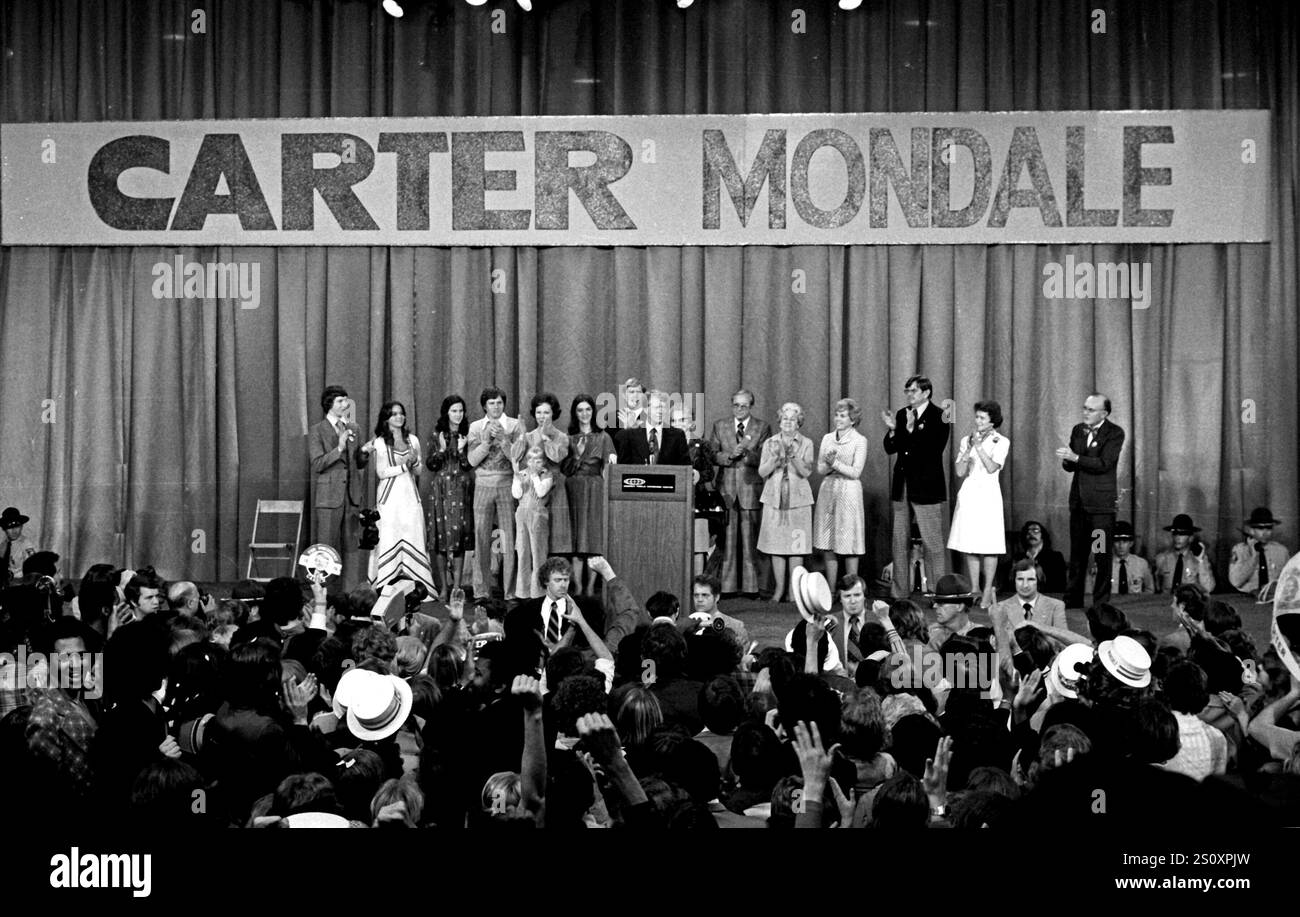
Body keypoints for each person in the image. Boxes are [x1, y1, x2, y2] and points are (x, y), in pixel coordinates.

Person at [882, 376, 950, 600]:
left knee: (932, 543)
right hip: (902, 485)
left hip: (926, 486)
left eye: (913, 391)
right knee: (899, 542)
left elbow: (933, 449)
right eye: (907, 391)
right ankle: (900, 593)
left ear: (926, 392)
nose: (909, 395)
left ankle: (938, 594)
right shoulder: (902, 414)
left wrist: (911, 430)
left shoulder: (941, 415)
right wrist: (893, 430)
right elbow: (891, 448)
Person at [1057, 392, 1125, 608]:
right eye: (1084, 408)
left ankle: (1100, 602)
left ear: (1104, 413)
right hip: (1079, 504)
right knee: (1077, 553)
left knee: (1100, 553)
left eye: (1091, 409)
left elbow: (1104, 463)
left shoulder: (1114, 433)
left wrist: (1075, 458)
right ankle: (1073, 599)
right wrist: (1067, 460)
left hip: (1100, 510)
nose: (1085, 413)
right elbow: (1071, 465)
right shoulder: (1078, 430)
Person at [362, 401, 435, 594]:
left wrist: (414, 461)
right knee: (388, 536)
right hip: (389, 497)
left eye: (401, 413)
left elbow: (418, 471)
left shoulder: (413, 440)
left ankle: (418, 587)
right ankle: (384, 584)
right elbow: (382, 472)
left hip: (409, 495)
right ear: (386, 418)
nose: (399, 417)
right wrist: (404, 466)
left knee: (412, 533)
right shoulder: (379, 442)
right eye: (394, 414)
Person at [946, 401, 1010, 608]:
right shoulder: (966, 440)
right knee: (970, 544)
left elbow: (992, 468)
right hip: (969, 494)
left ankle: (987, 589)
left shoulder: (1001, 441)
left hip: (989, 495)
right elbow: (959, 471)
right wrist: (968, 449)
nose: (978, 421)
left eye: (982, 418)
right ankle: (974, 588)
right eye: (977, 417)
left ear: (993, 421)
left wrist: (980, 447)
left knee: (989, 545)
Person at [709, 389, 771, 596]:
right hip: (726, 489)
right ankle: (726, 587)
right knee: (726, 542)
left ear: (751, 406)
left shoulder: (762, 427)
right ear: (731, 405)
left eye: (744, 405)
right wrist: (729, 456)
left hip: (750, 488)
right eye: (736, 405)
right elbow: (712, 455)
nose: (740, 409)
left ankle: (752, 587)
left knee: (750, 541)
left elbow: (765, 457)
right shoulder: (719, 425)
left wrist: (746, 455)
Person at [307, 386, 370, 589]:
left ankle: (350, 593)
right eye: (340, 401)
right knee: (326, 547)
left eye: (346, 400)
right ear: (329, 404)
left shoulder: (354, 428)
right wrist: (340, 448)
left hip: (351, 496)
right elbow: (317, 464)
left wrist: (365, 453)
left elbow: (358, 464)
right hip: (328, 497)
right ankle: (323, 593)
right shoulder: (317, 430)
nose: (345, 404)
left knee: (351, 548)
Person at [467, 386, 523, 599]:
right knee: (481, 536)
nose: (496, 406)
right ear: (484, 406)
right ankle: (481, 591)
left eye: (499, 402)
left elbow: (518, 459)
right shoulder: (475, 427)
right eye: (491, 403)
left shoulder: (514, 425)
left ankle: (510, 592)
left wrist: (504, 440)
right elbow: (472, 460)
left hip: (507, 484)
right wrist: (486, 442)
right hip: (482, 484)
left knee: (508, 537)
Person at [757, 402, 814, 604]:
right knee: (777, 545)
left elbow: (806, 472)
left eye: (792, 419)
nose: (788, 422)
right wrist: (773, 460)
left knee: (796, 547)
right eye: (785, 418)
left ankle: (793, 590)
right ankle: (779, 589)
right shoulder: (770, 442)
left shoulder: (807, 443)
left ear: (799, 422)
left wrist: (793, 456)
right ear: (779, 421)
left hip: (799, 502)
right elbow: (762, 472)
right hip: (774, 499)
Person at [511, 393, 573, 562]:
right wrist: (522, 435)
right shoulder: (529, 436)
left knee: (556, 537)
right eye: (539, 412)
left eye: (546, 412)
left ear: (553, 414)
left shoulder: (561, 437)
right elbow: (515, 457)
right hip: (533, 492)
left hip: (556, 490)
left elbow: (557, 457)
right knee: (533, 539)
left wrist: (546, 438)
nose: (542, 416)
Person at [565, 394, 617, 596]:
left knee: (593, 538)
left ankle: (590, 588)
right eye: (580, 410)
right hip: (574, 489)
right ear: (575, 413)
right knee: (577, 539)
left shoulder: (603, 437)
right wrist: (577, 456)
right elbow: (565, 469)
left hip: (596, 488)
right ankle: (578, 587)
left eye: (588, 409)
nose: (584, 414)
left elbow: (609, 467)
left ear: (593, 412)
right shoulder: (569, 438)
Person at [425, 394, 475, 604]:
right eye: (454, 410)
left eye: (461, 410)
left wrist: (462, 450)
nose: (458, 414)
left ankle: (456, 588)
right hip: (441, 489)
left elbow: (469, 464)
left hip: (461, 487)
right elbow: (431, 464)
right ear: (447, 412)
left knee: (459, 539)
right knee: (440, 540)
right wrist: (442, 449)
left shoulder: (469, 433)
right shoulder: (437, 434)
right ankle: (443, 588)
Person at [814, 398, 868, 588]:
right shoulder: (827, 438)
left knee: (849, 542)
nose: (838, 419)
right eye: (837, 415)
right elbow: (820, 468)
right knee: (828, 541)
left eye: (843, 415)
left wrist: (835, 463)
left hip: (849, 492)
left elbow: (855, 472)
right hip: (828, 490)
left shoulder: (860, 440)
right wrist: (829, 465)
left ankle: (852, 588)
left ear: (852, 420)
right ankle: (830, 589)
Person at [511, 447, 555, 600]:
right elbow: (516, 494)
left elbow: (541, 492)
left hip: (538, 514)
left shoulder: (546, 474)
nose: (534, 464)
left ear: (543, 462)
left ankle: (538, 592)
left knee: (538, 553)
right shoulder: (522, 473)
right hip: (522, 514)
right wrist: (517, 477)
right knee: (522, 552)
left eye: (538, 461)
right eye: (531, 460)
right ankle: (522, 591)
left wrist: (535, 476)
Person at [614, 390, 690, 465]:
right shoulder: (630, 434)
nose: (660, 411)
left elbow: (685, 467)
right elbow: (623, 467)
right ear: (646, 409)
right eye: (657, 407)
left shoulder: (678, 435)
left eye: (663, 407)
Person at [1228, 507, 1289, 595]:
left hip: (1272, 596)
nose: (1265, 533)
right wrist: (1254, 556)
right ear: (1252, 530)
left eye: (1268, 528)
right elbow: (1235, 582)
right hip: (1246, 597)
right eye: (1260, 528)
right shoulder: (1240, 550)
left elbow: (1288, 579)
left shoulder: (1281, 551)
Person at [1153, 514, 1216, 593]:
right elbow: (1156, 586)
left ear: (1190, 538)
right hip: (1166, 599)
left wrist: (1201, 561)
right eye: (1175, 533)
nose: (1178, 537)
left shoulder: (1199, 559)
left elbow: (1208, 588)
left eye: (1182, 534)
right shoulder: (1162, 558)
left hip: (1190, 600)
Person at [1000, 520, 1068, 594]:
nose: (1031, 533)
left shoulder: (1055, 557)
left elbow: (1060, 584)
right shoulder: (1017, 558)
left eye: (1035, 530)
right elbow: (1008, 584)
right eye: (1027, 532)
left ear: (1043, 535)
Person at [1088, 521, 1154, 595]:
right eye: (1117, 541)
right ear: (1112, 543)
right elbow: (1092, 591)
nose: (1121, 546)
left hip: (1134, 602)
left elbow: (1149, 590)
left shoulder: (1141, 564)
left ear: (1131, 543)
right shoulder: (1103, 564)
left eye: (1125, 541)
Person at [1, 507, 36, 586]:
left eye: (17, 526)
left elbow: (32, 571)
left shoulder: (26, 545)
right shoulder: (3, 545)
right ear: (4, 529)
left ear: (21, 526)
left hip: (20, 585)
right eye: (9, 527)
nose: (14, 531)